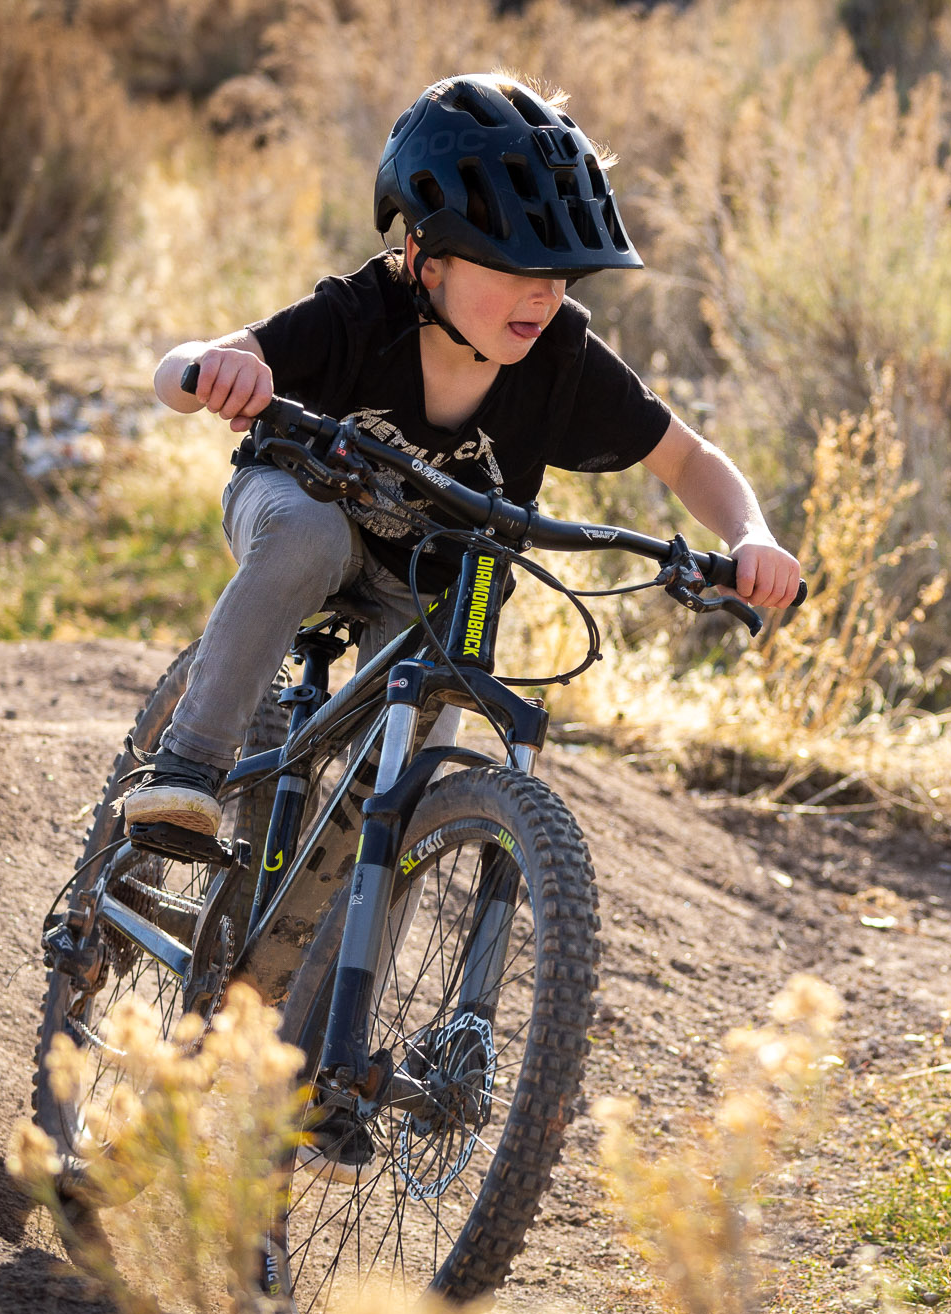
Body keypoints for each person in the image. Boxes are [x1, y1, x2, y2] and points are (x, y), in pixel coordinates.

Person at [128, 73, 802, 837]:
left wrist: (750, 535)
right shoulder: (358, 313)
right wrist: (221, 367)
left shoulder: (561, 357)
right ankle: (188, 764)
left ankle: (336, 915)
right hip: (303, 506)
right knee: (307, 536)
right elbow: (173, 374)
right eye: (515, 268)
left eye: (560, 274)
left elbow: (688, 459)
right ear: (426, 257)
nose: (543, 298)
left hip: (440, 574)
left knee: (387, 805)